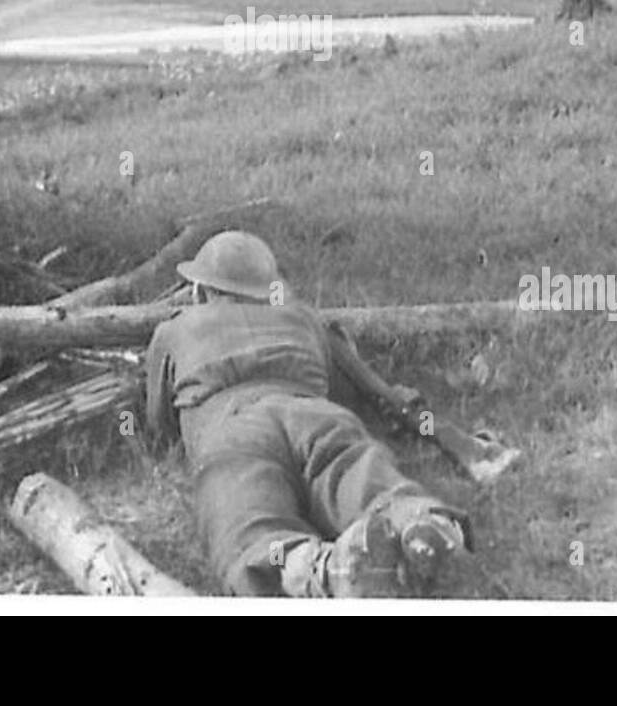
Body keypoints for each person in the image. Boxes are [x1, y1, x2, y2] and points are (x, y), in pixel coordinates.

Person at [144, 230, 471, 597]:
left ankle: (317, 570)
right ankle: (415, 518)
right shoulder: (302, 319)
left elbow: (159, 423)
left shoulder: (173, 330)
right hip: (315, 412)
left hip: (234, 428)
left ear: (199, 291)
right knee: (356, 469)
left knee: (246, 518)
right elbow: (340, 388)